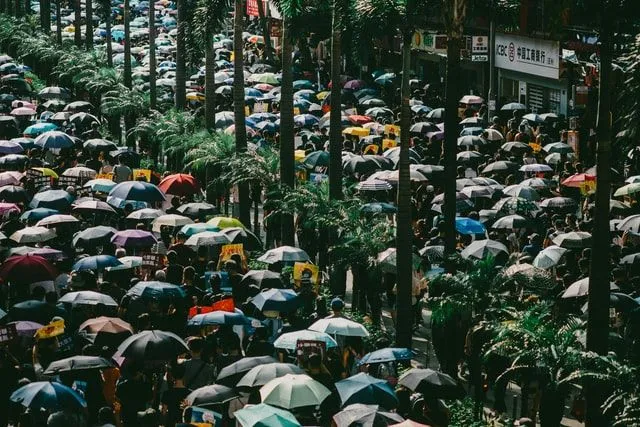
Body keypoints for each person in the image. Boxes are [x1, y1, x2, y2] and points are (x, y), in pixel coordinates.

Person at [160, 361, 192, 427]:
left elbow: (164, 412)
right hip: (184, 424)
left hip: (171, 423)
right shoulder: (190, 393)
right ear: (184, 376)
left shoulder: (167, 393)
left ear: (172, 377)